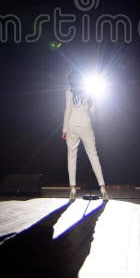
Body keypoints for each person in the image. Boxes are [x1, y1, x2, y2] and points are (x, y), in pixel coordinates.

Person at [62, 70, 108, 200]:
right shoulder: (88, 91)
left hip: (72, 124)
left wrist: (64, 129)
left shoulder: (69, 91)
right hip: (86, 124)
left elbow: (67, 111)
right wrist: (95, 98)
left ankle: (72, 188)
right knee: (93, 156)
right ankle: (102, 187)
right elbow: (94, 111)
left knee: (71, 157)